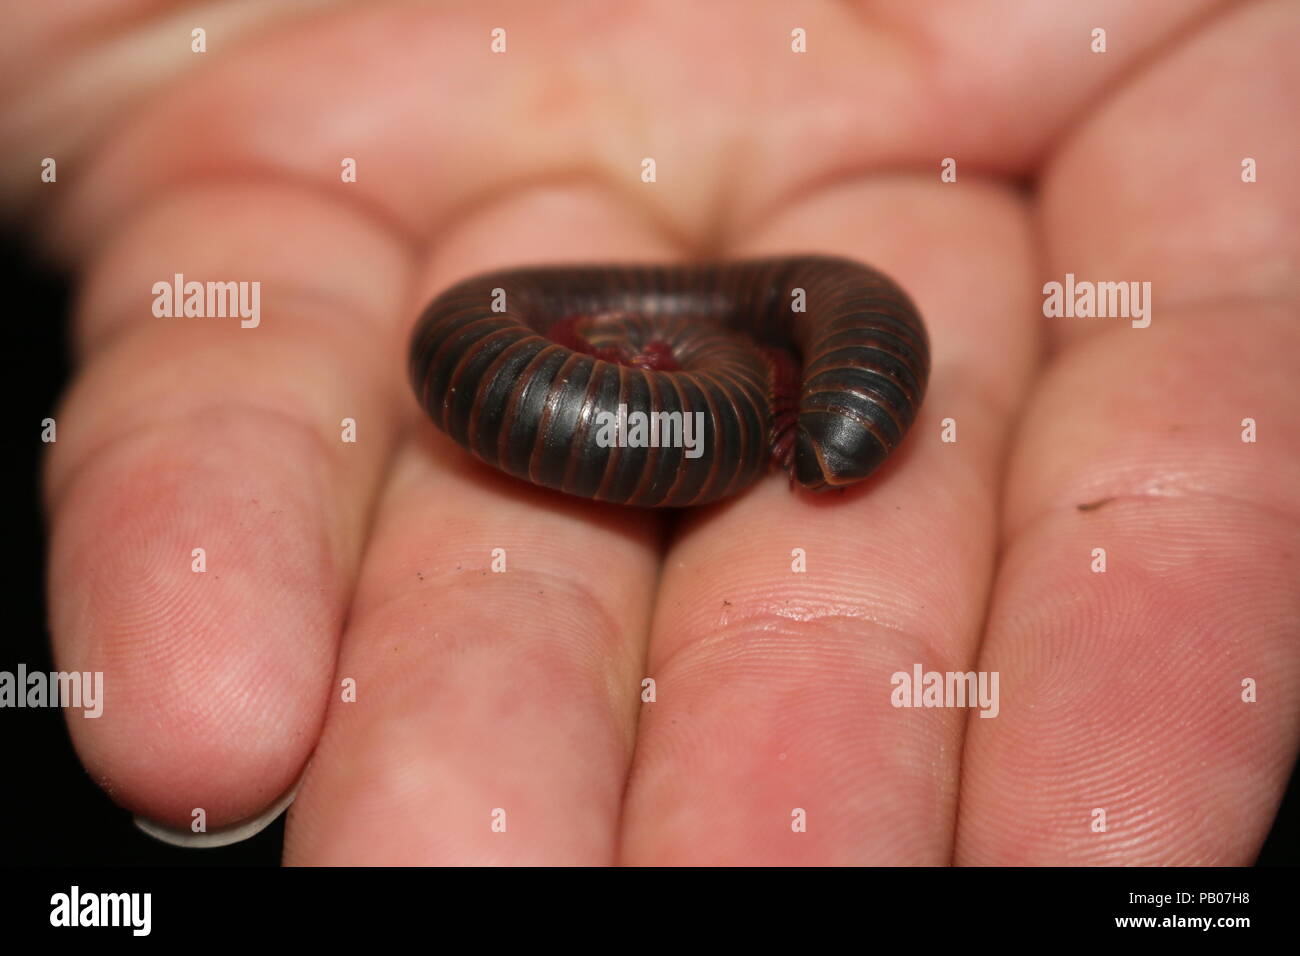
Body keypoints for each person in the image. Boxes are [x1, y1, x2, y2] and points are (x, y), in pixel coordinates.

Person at [9, 0, 1296, 864]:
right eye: (823, 432)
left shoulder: (750, 364)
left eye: (825, 433)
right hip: (598, 341)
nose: (815, 457)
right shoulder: (662, 358)